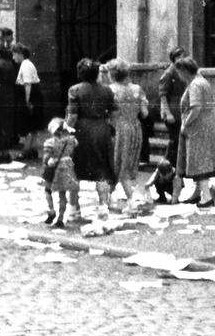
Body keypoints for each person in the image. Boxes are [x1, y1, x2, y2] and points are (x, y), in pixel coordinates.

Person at [66, 57, 117, 221]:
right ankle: (103, 206)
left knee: (74, 169)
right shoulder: (107, 90)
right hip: (101, 130)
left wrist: (66, 130)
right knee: (102, 169)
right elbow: (114, 114)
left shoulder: (74, 90)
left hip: (81, 131)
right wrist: (110, 128)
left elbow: (72, 115)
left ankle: (74, 209)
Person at [174, 57, 215, 207]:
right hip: (206, 124)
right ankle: (197, 193)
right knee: (199, 160)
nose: (179, 76)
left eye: (179, 72)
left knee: (199, 160)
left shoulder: (195, 85)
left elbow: (196, 107)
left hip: (198, 126)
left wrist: (185, 123)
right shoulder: (203, 81)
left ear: (184, 71)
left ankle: (206, 197)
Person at [105, 58, 148, 210]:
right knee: (127, 164)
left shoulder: (110, 90)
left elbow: (107, 113)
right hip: (135, 128)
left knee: (118, 164)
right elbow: (144, 113)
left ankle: (130, 200)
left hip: (118, 129)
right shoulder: (137, 89)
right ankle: (107, 198)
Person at [41, 118, 78, 229]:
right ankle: (61, 218)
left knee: (48, 190)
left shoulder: (50, 143)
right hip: (67, 168)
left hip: (53, 168)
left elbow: (46, 159)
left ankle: (51, 210)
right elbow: (75, 145)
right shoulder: (71, 140)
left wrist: (47, 162)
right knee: (62, 194)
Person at [13, 44, 45, 160]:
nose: (13, 57)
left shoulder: (25, 65)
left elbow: (27, 85)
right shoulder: (27, 64)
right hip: (34, 96)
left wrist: (27, 101)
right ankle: (32, 149)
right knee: (33, 126)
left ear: (20, 54)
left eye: (14, 54)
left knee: (28, 125)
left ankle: (26, 150)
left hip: (30, 96)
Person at [158, 47, 187, 167]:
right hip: (172, 109)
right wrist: (167, 113)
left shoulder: (182, 71)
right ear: (173, 58)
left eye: (183, 56)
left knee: (179, 140)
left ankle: (175, 165)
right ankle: (168, 165)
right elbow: (163, 95)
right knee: (174, 140)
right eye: (179, 57)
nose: (182, 59)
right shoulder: (169, 73)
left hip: (181, 108)